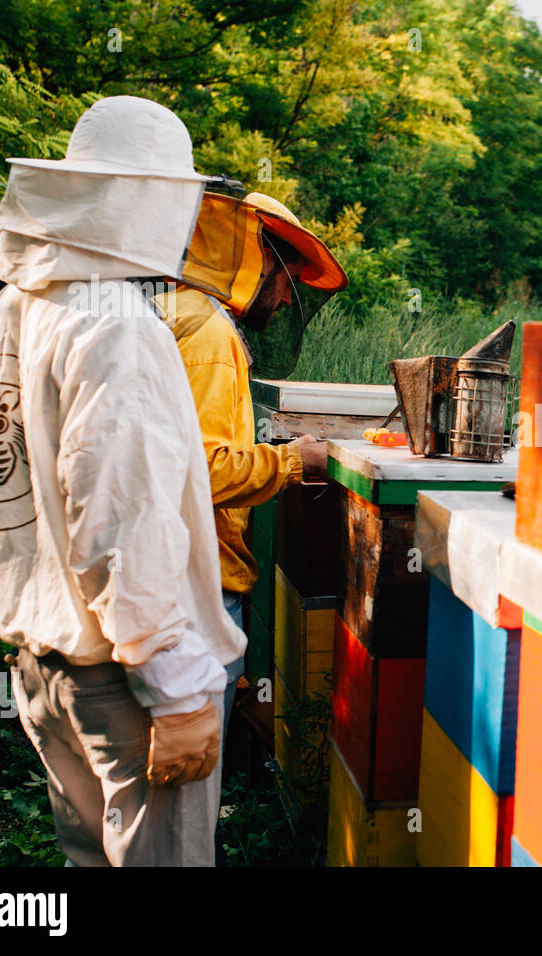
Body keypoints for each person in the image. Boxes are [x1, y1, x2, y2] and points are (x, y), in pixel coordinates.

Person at [0, 95, 244, 866]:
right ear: (149, 199)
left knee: (87, 859)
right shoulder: (117, 323)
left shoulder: (11, 309)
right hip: (130, 683)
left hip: (44, 669)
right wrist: (176, 689)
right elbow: (124, 517)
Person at [160, 191, 346, 721]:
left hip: (168, 581)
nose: (288, 300)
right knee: (191, 782)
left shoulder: (175, 310)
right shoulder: (208, 335)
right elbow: (202, 471)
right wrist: (294, 463)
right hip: (193, 588)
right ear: (258, 260)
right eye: (289, 281)